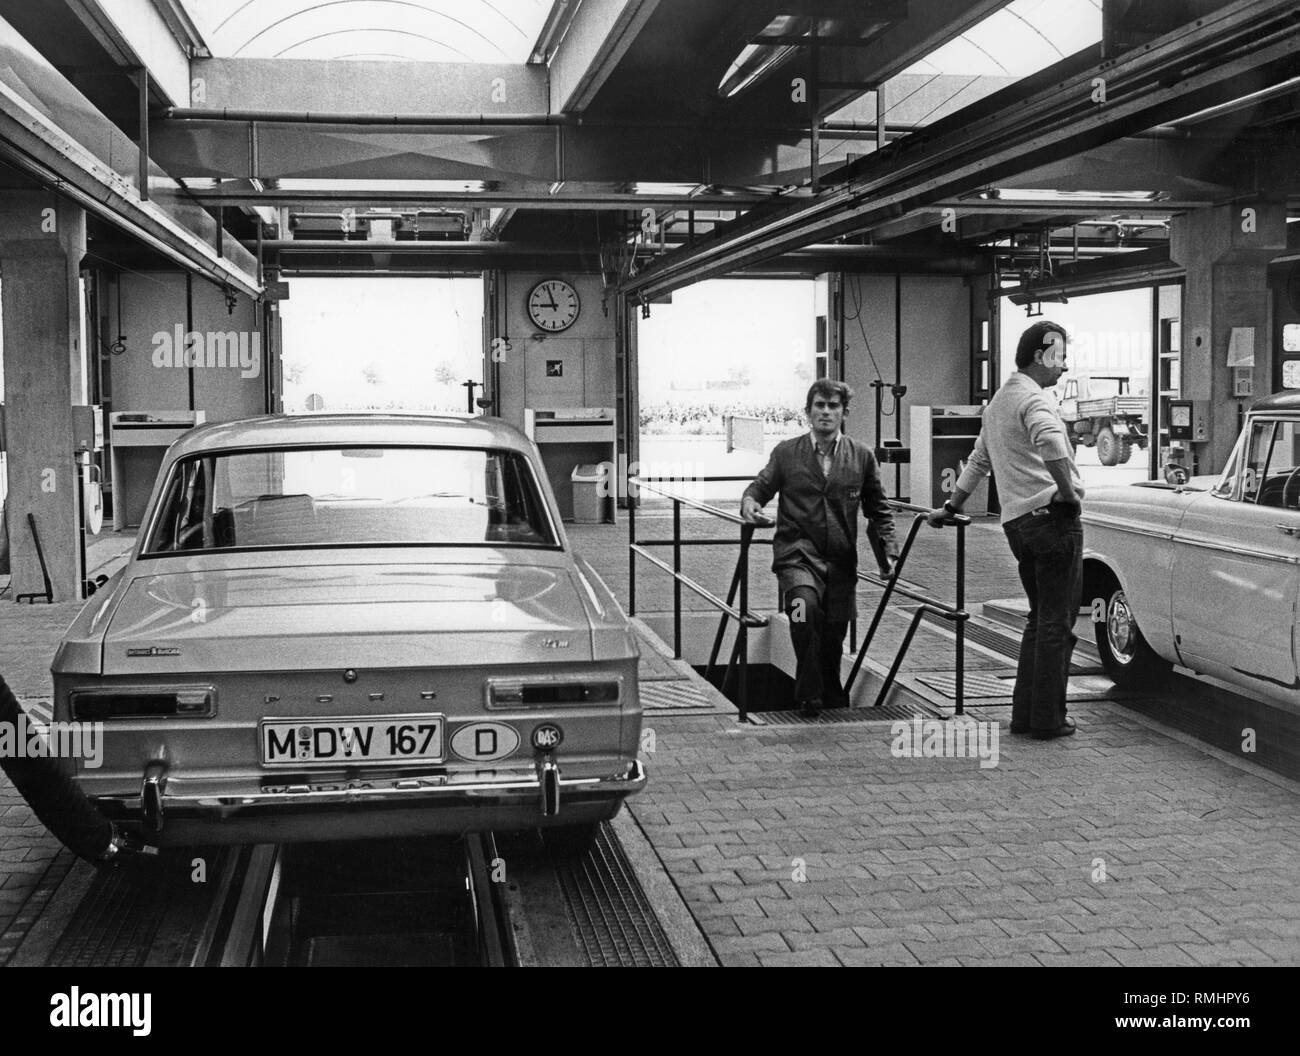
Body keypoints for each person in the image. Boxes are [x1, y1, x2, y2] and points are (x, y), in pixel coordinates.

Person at [926, 321, 1083, 740]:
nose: (1064, 368)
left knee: (1039, 621)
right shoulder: (1034, 400)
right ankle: (1048, 719)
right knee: (1057, 623)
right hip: (1052, 522)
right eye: (1061, 357)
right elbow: (1051, 443)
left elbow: (978, 460)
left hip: (1017, 526)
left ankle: (1026, 715)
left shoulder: (998, 402)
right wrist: (1067, 493)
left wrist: (951, 506)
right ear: (1041, 355)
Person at [742, 380, 898, 716]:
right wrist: (750, 502)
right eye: (819, 406)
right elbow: (761, 486)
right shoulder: (786, 453)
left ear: (844, 413)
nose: (825, 412)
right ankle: (809, 695)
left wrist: (888, 555)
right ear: (808, 412)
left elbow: (878, 509)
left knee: (832, 638)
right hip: (795, 559)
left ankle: (832, 694)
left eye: (833, 406)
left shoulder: (862, 456)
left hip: (840, 565)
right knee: (802, 611)